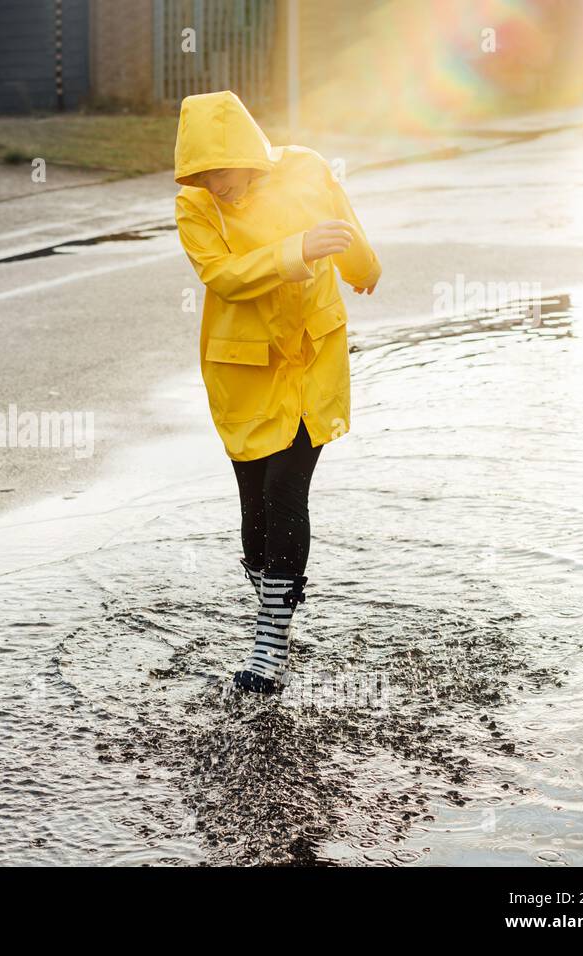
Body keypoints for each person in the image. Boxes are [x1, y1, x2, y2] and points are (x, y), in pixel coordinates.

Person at [172, 90, 381, 695]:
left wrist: (363, 267)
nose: (219, 187)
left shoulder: (306, 168)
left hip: (310, 357)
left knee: (288, 493)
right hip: (243, 369)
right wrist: (296, 250)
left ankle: (270, 640)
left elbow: (342, 225)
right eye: (205, 177)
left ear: (248, 154)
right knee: (255, 518)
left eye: (225, 173)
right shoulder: (195, 206)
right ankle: (276, 599)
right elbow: (222, 276)